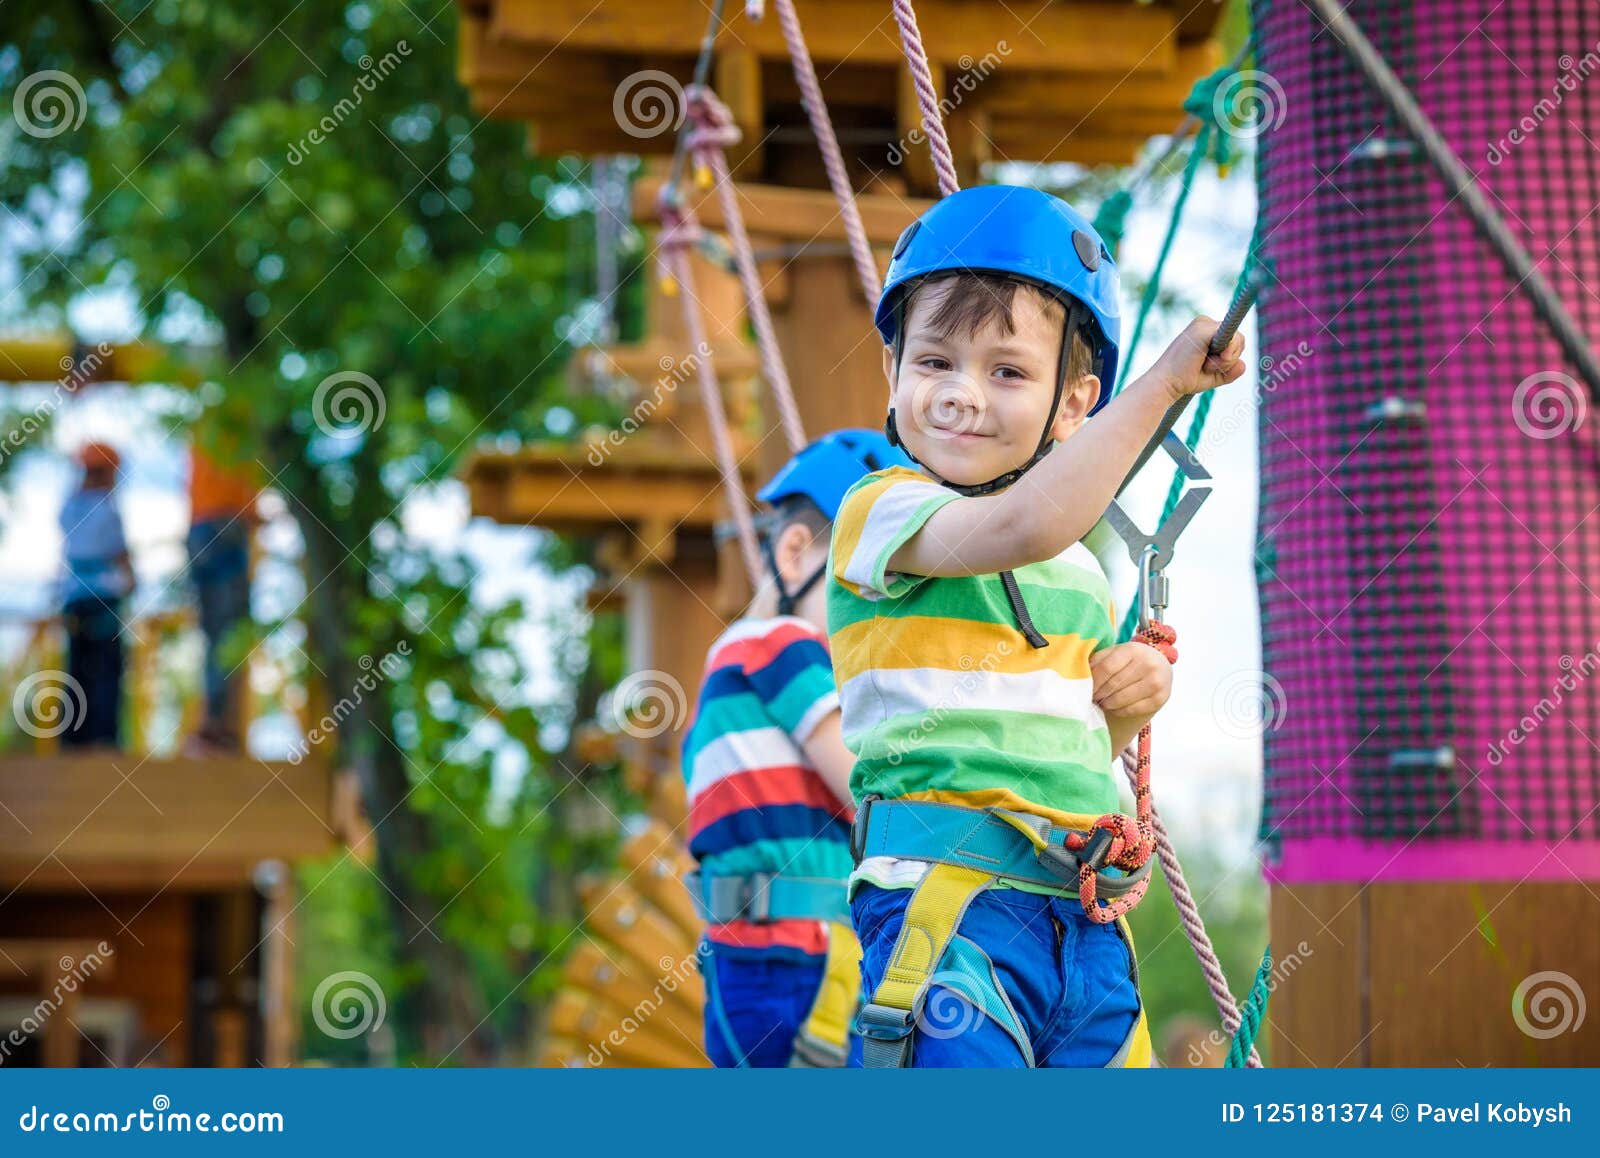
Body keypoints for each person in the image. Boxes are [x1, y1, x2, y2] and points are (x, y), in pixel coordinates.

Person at [827, 184, 1246, 1067]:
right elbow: (1018, 524)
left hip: (1082, 923)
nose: (960, 396)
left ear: (1072, 405)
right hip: (952, 905)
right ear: (894, 376)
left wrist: (1130, 702)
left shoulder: (1080, 573)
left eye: (1006, 371)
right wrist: (1164, 386)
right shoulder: (883, 511)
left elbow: (1070, 745)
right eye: (933, 362)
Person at [680, 430, 912, 1067]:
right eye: (868, 594)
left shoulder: (723, 673)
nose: (878, 629)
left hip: (746, 956)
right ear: (795, 555)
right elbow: (866, 787)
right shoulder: (782, 645)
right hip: (798, 961)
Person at [58, 441, 133, 750]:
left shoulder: (68, 508)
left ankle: (73, 739)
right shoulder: (107, 508)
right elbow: (120, 556)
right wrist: (131, 580)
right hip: (104, 596)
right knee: (107, 669)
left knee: (76, 667)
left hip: (74, 598)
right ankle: (103, 739)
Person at [186, 444, 259, 751]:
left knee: (212, 632)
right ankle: (220, 727)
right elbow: (250, 503)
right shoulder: (245, 429)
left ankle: (213, 725)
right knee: (230, 632)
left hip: (198, 530)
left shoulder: (201, 436)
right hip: (229, 526)